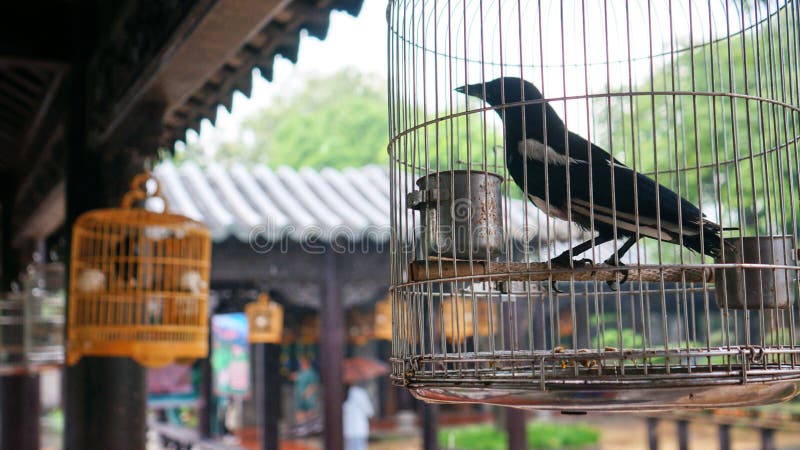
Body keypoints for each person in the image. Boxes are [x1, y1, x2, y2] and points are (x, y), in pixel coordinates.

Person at [343, 383, 374, 450]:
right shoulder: (361, 393)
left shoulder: (340, 392)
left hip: (346, 430)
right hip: (359, 430)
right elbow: (369, 412)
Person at [292, 355, 319, 423]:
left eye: (302, 362)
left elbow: (314, 385)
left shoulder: (312, 373)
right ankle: (302, 427)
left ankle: (311, 426)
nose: (301, 364)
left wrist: (307, 393)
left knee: (310, 413)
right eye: (300, 362)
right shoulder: (300, 372)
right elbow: (296, 379)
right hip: (299, 396)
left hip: (308, 397)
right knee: (300, 412)